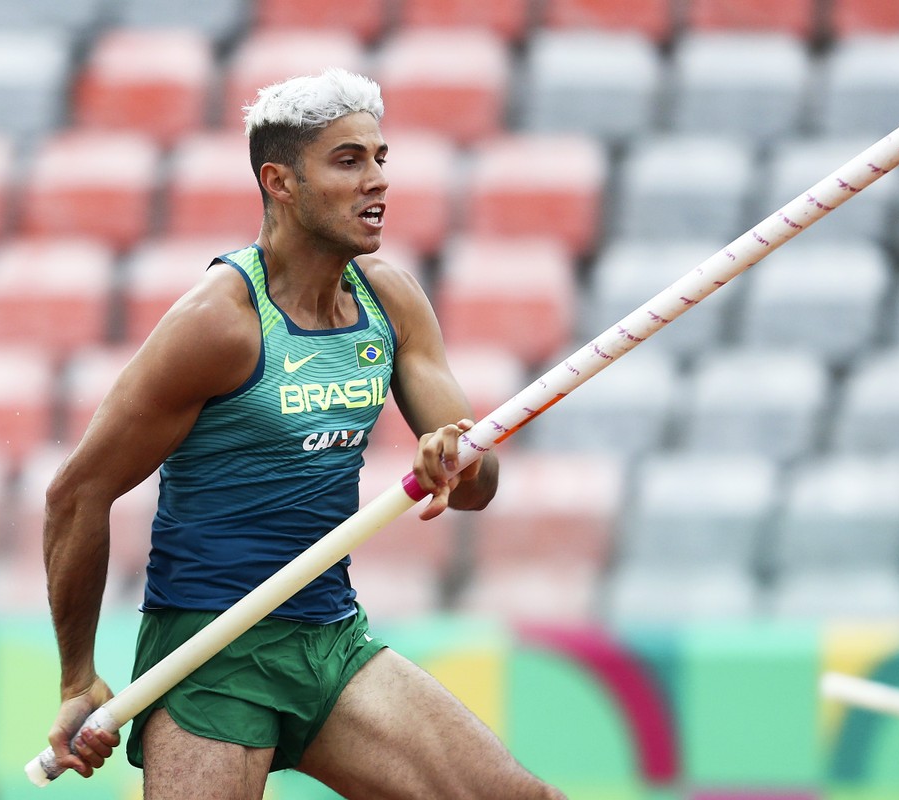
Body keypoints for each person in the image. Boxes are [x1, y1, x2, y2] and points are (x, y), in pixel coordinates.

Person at [43, 68, 566, 800]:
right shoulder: (218, 324)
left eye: (381, 158)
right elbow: (76, 492)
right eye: (348, 161)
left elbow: (478, 488)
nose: (377, 181)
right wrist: (76, 675)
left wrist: (457, 457)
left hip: (329, 640)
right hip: (210, 654)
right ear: (280, 182)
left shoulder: (391, 301)